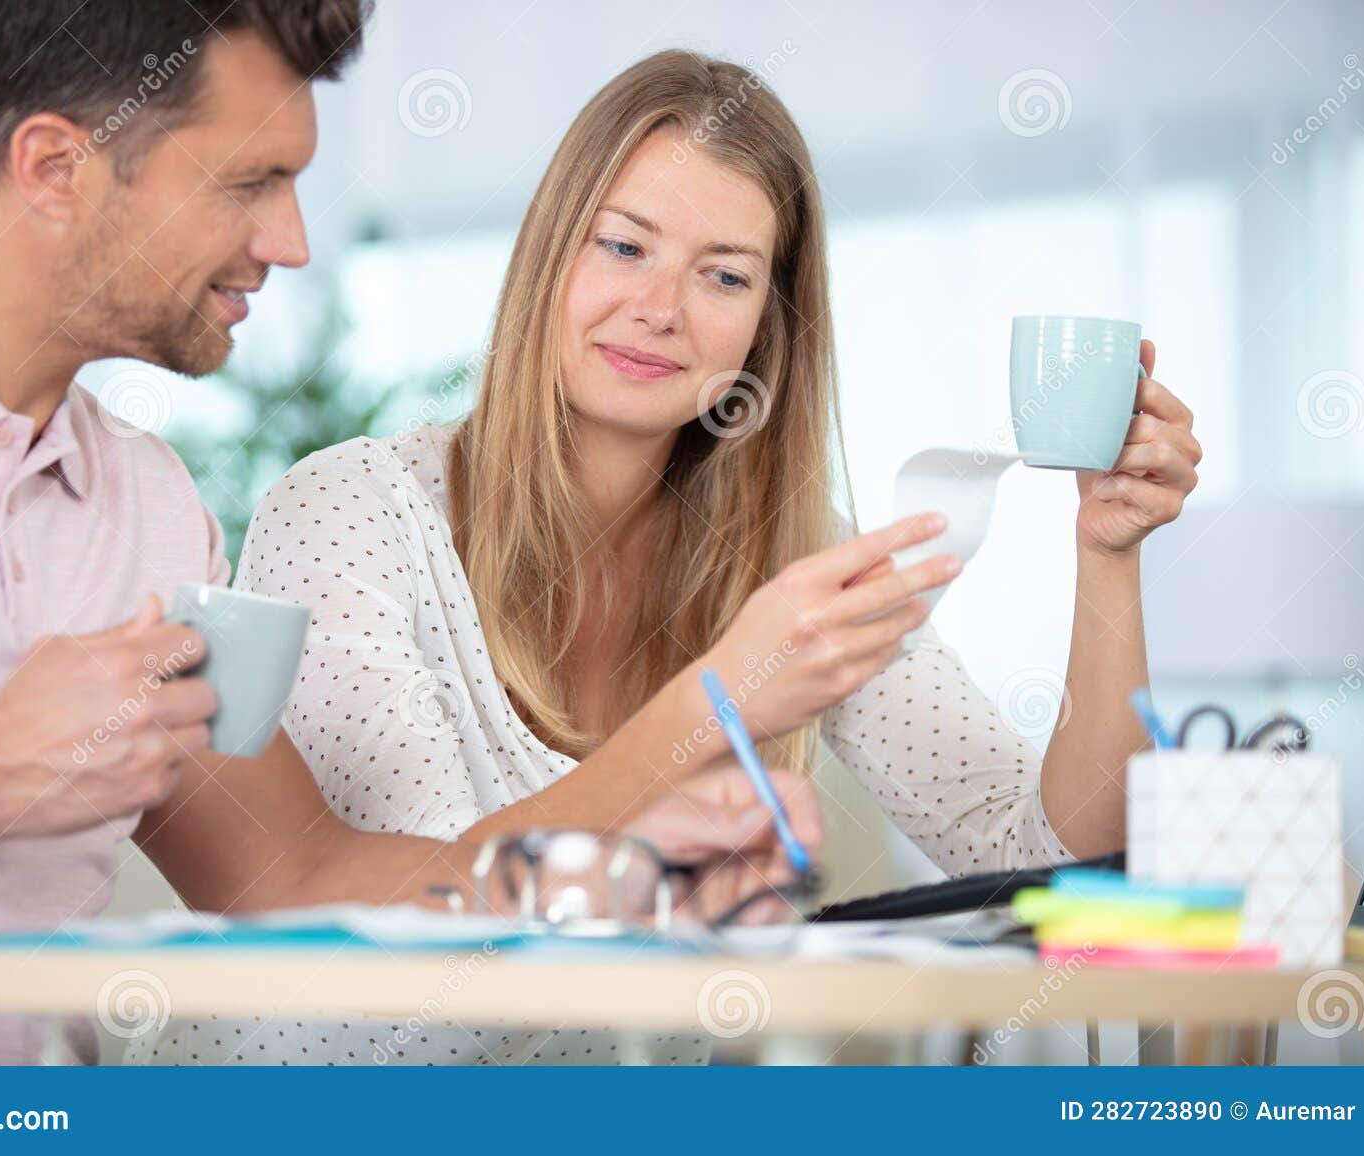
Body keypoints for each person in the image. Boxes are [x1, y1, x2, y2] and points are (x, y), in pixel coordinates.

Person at [0, 3, 819, 1066]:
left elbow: (296, 878)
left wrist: (617, 868)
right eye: (249, 182)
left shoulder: (144, 507)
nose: (291, 241)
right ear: (55, 166)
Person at [195, 48, 1204, 1065]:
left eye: (723, 275)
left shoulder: (793, 565)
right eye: (624, 247)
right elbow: (444, 941)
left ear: (767, 328)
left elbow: (1066, 869)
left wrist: (1107, 553)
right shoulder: (350, 511)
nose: (661, 308)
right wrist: (721, 699)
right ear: (551, 253)